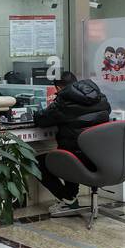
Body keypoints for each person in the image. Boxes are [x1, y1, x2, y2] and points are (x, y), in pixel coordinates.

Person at [33, 71, 112, 215]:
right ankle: (70, 195)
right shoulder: (101, 98)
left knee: (37, 162)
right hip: (101, 159)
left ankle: (68, 197)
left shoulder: (63, 103)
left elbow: (41, 120)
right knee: (70, 149)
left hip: (77, 160)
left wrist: (36, 112)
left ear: (58, 88)